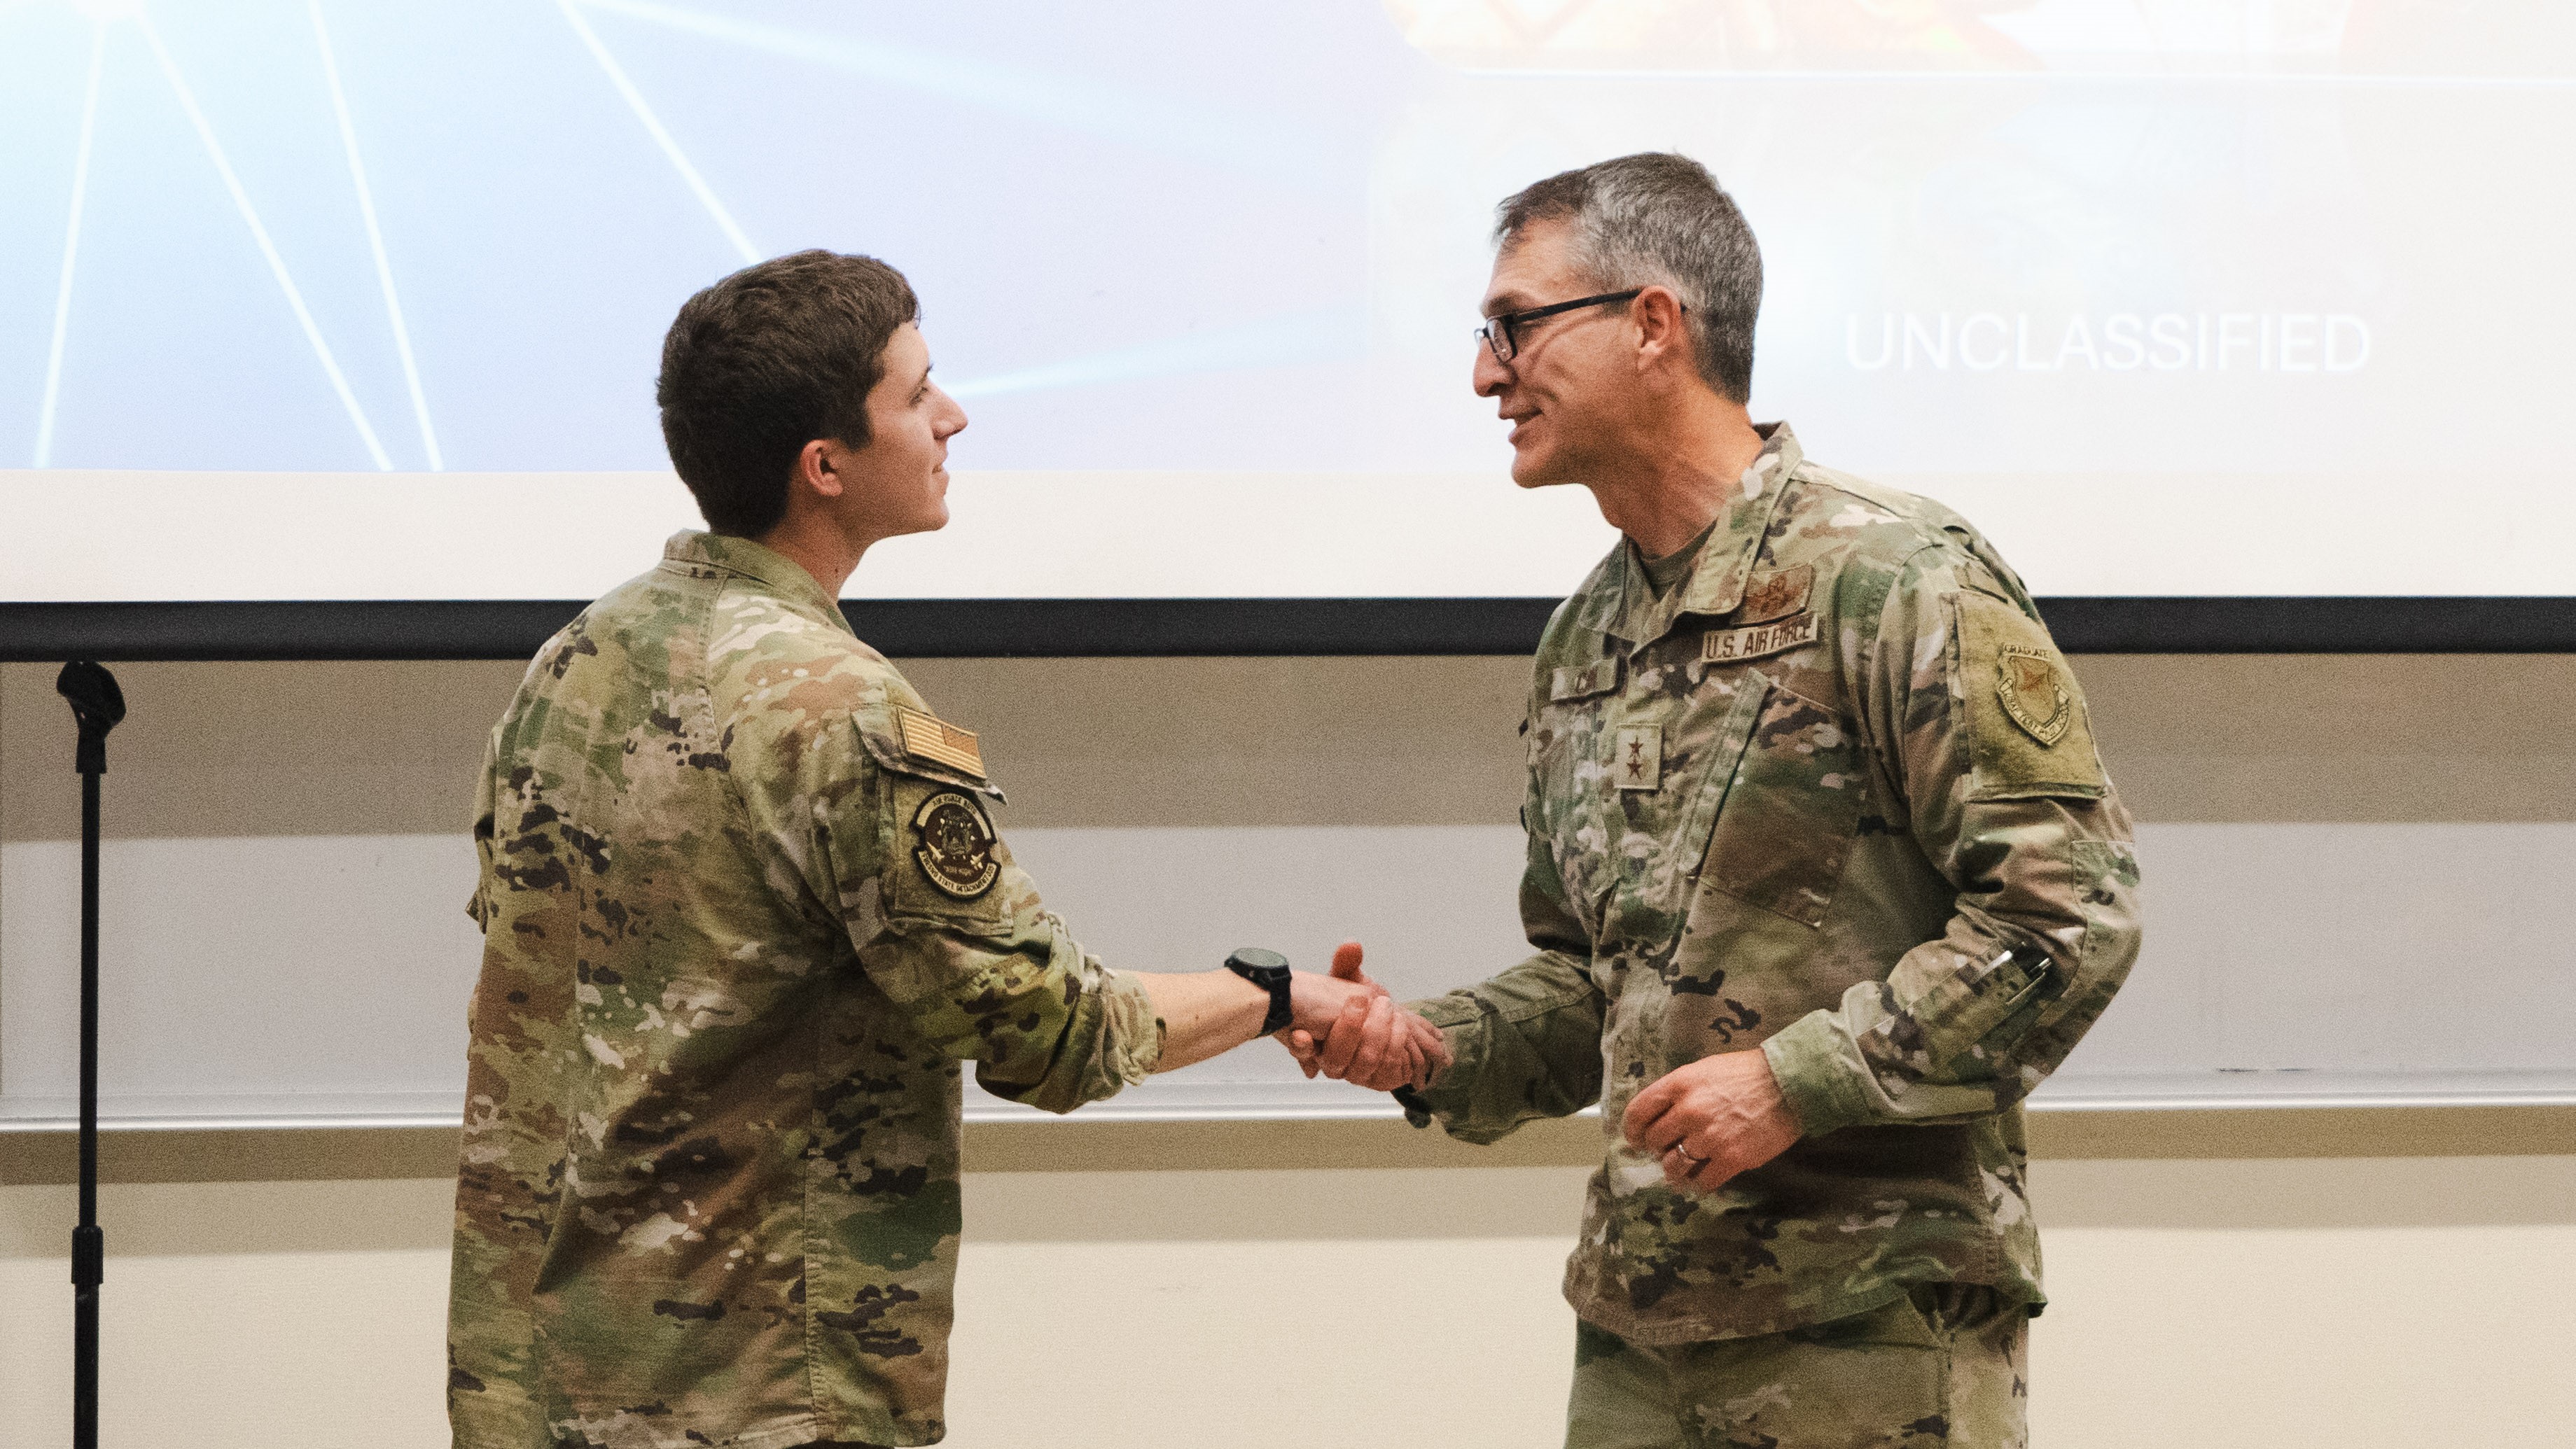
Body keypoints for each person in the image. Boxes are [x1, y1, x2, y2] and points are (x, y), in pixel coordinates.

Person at [445, 249, 1443, 1449]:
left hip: (551, 1383)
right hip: (762, 1388)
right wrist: (1274, 994)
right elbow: (1050, 1029)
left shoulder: (571, 666)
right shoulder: (839, 710)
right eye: (917, 396)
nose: (954, 415)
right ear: (825, 467)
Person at [1290, 154, 2143, 1447]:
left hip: (1869, 1322)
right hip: (1643, 1322)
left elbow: (2067, 919)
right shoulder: (1586, 633)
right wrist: (1429, 1046)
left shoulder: (1893, 576)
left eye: (1515, 327)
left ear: (1652, 323)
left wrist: (1799, 1080)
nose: (1485, 373)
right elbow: (1599, 981)